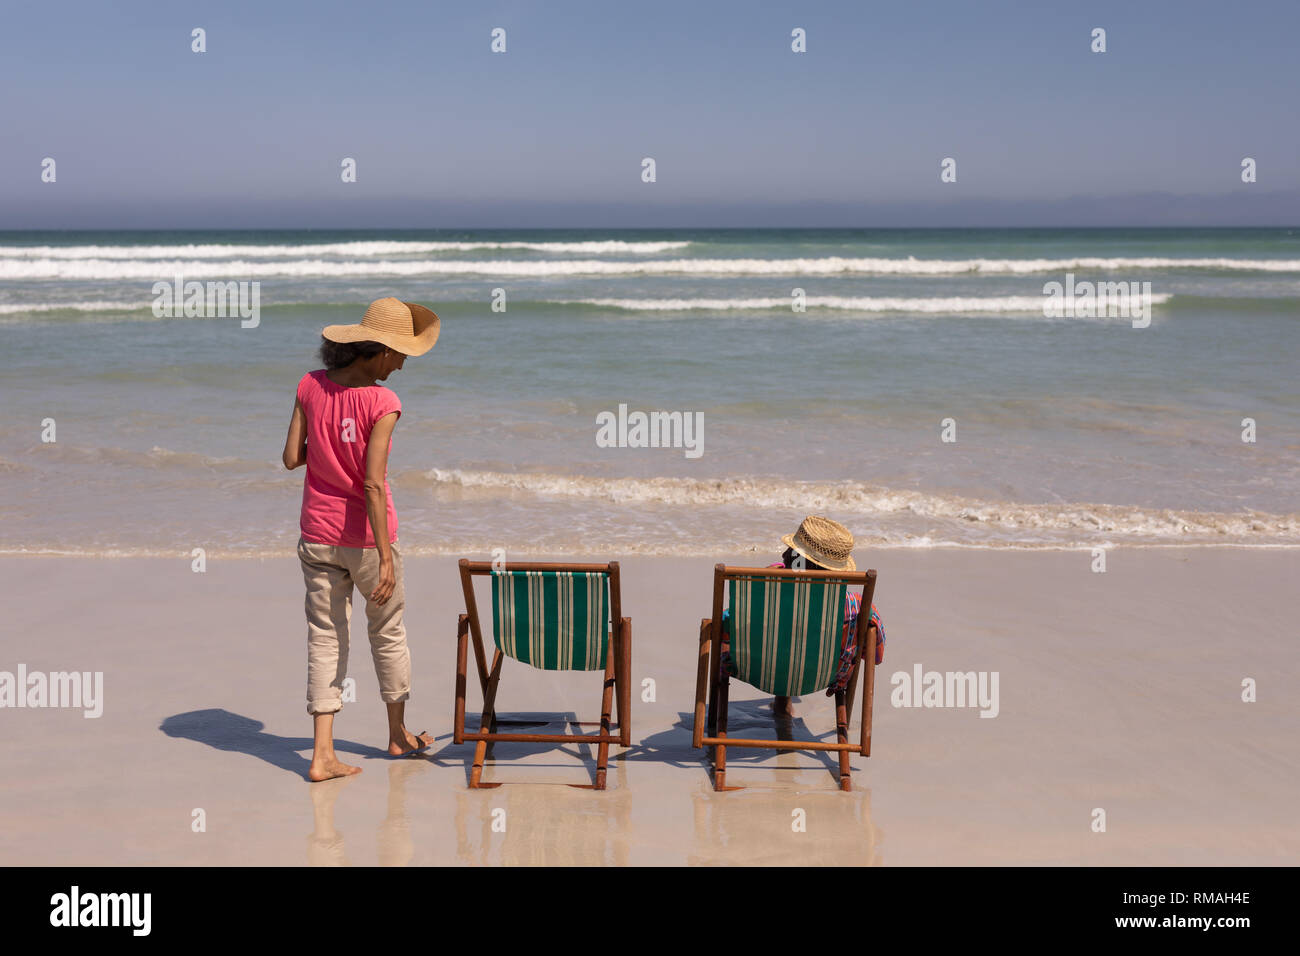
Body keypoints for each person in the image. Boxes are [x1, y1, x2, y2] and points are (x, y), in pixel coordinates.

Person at [282, 297, 440, 782]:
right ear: (377, 352)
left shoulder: (310, 385)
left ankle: (321, 754)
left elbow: (292, 457)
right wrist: (387, 557)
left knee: (325, 637)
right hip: (368, 541)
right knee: (387, 631)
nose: (403, 363)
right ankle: (397, 735)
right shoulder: (383, 402)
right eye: (400, 354)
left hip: (316, 534)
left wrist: (328, 449)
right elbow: (373, 483)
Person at [721, 515, 886, 719]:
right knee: (801, 634)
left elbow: (726, 624)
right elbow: (876, 656)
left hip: (757, 670)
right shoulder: (857, 608)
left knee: (784, 632)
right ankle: (784, 702)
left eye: (791, 552)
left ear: (798, 560)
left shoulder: (764, 594)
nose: (783, 554)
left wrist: (763, 582)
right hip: (823, 676)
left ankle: (779, 701)